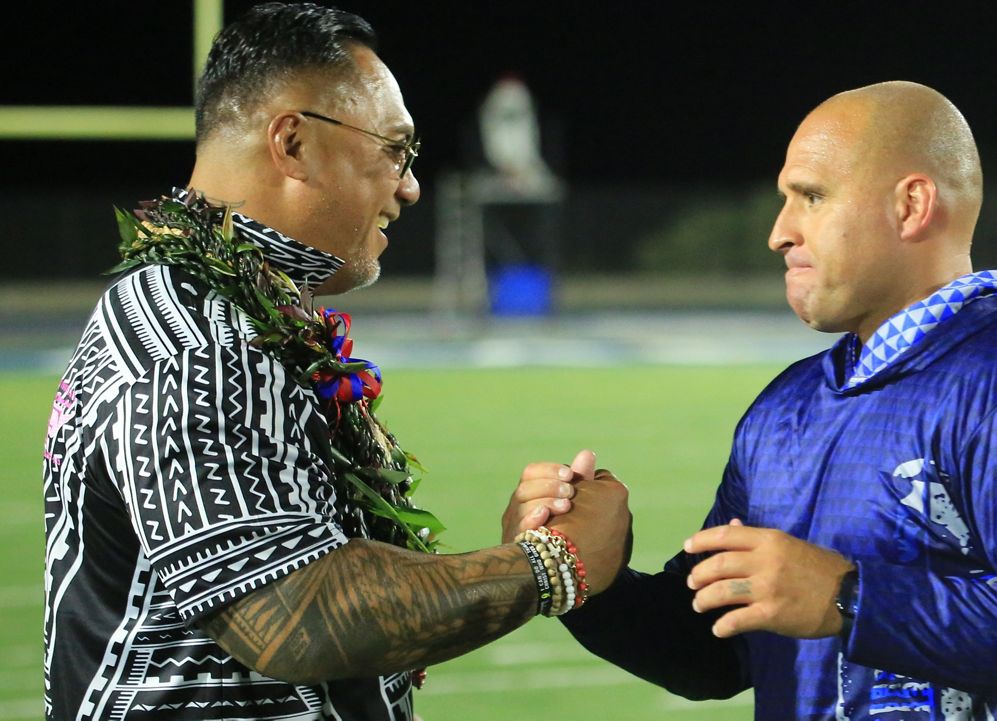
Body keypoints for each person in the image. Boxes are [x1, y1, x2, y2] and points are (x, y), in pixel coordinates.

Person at [42, 4, 628, 719]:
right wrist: (548, 565)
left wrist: (509, 558)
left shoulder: (209, 308)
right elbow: (293, 610)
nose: (409, 185)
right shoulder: (201, 343)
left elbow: (317, 570)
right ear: (292, 143)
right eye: (396, 149)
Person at [509, 81, 997, 720]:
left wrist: (849, 597)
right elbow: (712, 651)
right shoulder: (787, 406)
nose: (779, 232)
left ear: (911, 206)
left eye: (811, 197)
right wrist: (587, 578)